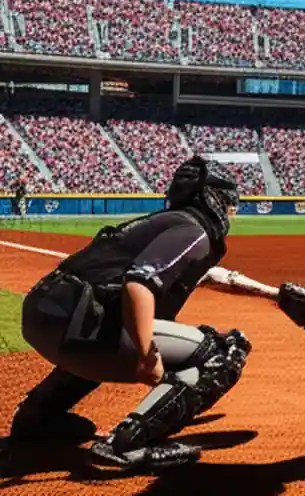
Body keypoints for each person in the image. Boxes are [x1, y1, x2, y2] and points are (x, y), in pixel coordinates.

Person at [7, 157, 249, 471]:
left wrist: (275, 295)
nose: (229, 213)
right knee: (226, 350)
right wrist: (148, 354)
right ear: (211, 197)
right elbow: (139, 281)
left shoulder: (162, 222)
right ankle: (127, 445)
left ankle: (39, 417)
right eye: (227, 203)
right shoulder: (194, 229)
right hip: (78, 325)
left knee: (111, 325)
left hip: (46, 316)